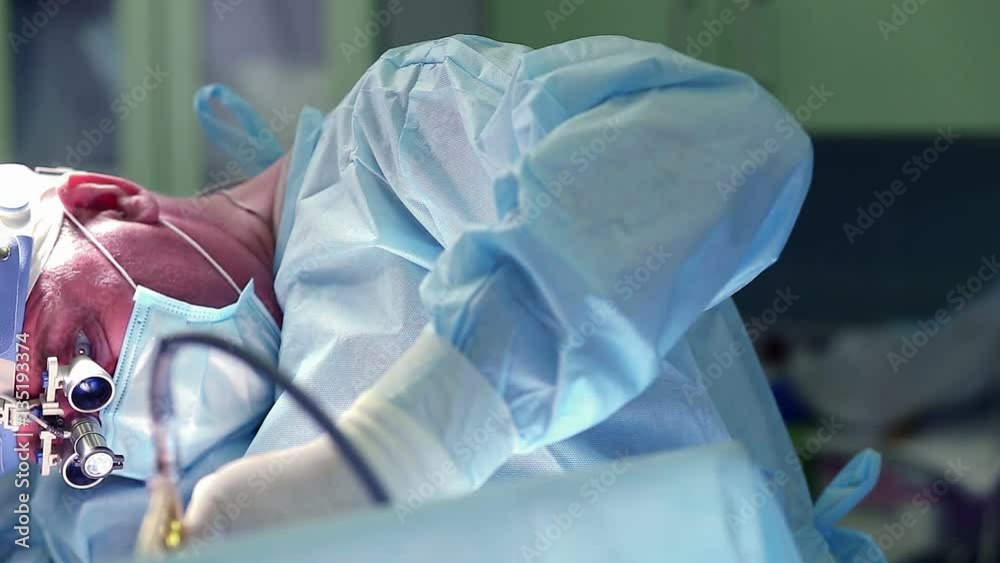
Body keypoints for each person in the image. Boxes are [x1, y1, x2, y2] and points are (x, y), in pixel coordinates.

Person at [0, 35, 883, 562]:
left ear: (104, 200)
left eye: (71, 342)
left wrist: (406, 446)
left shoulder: (395, 146)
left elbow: (720, 138)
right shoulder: (102, 500)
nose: (99, 416)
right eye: (55, 432)